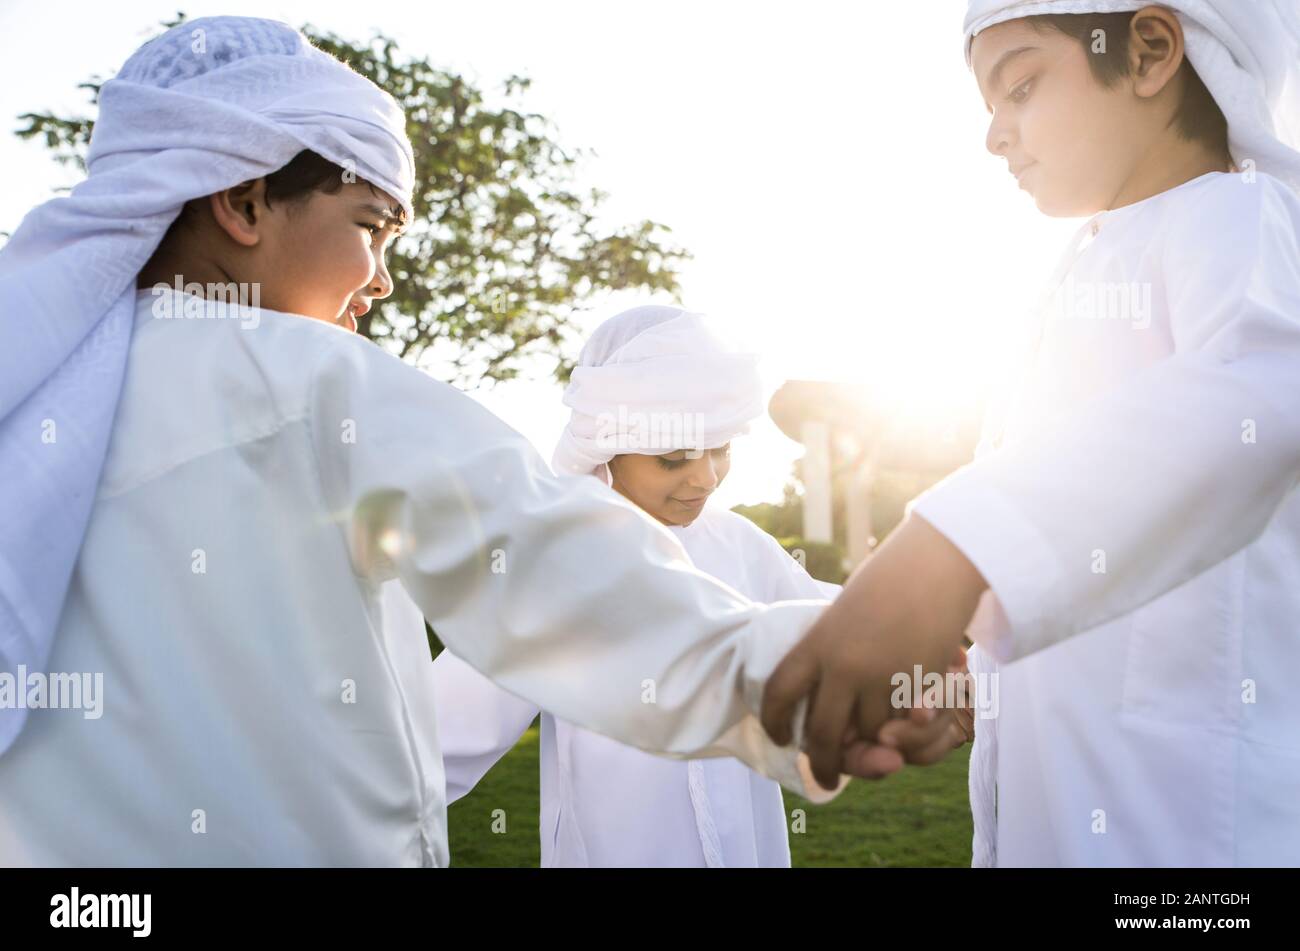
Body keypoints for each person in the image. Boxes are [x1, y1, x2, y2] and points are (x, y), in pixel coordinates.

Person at [0, 17, 938, 865]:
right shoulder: (312, 382)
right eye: (372, 227)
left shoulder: (36, 422)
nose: (383, 280)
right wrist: (822, 690)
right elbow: (543, 560)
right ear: (244, 203)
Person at [763, 0, 1300, 866]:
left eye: (1019, 86)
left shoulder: (1237, 220)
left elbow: (1259, 395)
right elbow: (1078, 559)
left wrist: (949, 552)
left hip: (1193, 840)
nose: (995, 137)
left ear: (1152, 49)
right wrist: (976, 668)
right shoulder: (1071, 283)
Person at [430, 306, 846, 866]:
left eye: (721, 448)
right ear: (608, 450)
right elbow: (432, 739)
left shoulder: (738, 543)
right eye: (673, 459)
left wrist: (937, 652)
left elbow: (839, 625)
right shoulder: (556, 568)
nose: (705, 478)